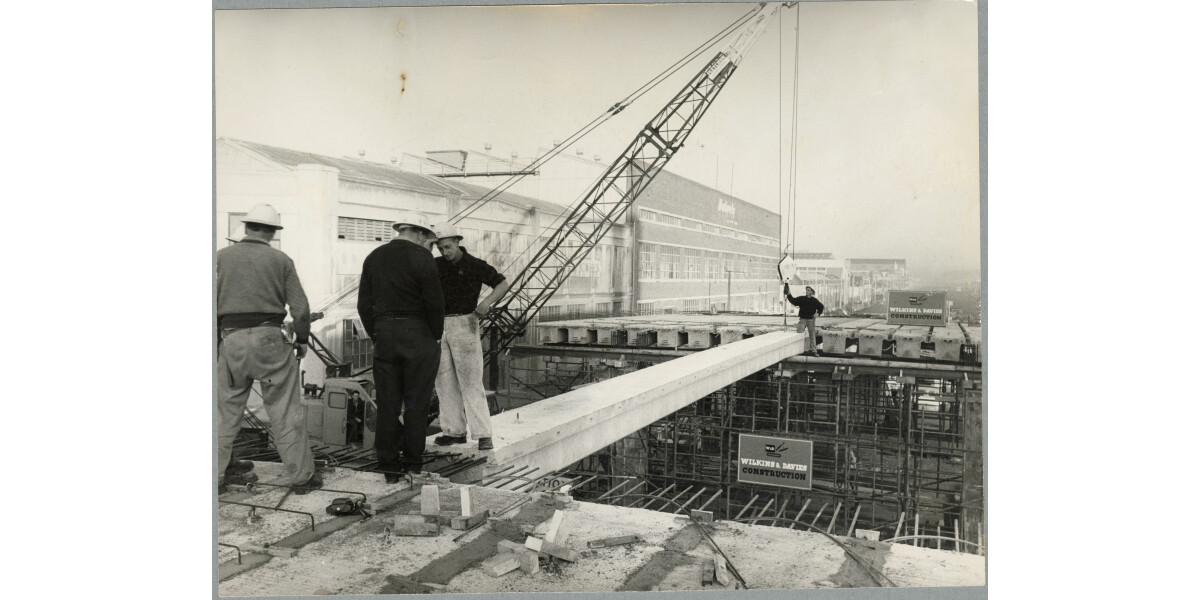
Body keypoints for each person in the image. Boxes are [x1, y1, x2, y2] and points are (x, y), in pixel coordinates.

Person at [216, 204, 321, 495]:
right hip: (271, 340)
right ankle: (301, 479)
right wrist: (301, 340)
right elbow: (300, 310)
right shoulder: (281, 260)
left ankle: (215, 479)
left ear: (246, 227)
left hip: (231, 340)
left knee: (224, 415)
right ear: (273, 232)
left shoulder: (219, 258)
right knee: (285, 412)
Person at [357, 213, 444, 483]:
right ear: (419, 233)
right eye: (428, 240)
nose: (428, 244)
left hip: (385, 335)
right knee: (417, 405)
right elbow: (434, 302)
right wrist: (435, 335)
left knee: (387, 406)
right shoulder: (422, 258)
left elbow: (363, 305)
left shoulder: (374, 257)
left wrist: (378, 333)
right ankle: (413, 465)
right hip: (418, 335)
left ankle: (390, 469)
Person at [429, 222, 511, 452]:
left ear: (457, 242)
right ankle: (454, 432)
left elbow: (502, 284)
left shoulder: (475, 265)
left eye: (447, 246)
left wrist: (486, 302)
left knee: (471, 381)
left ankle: (484, 434)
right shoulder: (435, 266)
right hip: (438, 326)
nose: (444, 252)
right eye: (439, 248)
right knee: (444, 381)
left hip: (465, 323)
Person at [785, 283, 825, 355]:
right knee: (799, 333)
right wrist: (788, 294)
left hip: (811, 320)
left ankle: (814, 351)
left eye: (809, 290)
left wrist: (818, 313)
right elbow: (793, 301)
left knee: (812, 336)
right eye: (806, 290)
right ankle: (797, 350)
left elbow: (821, 307)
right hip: (802, 319)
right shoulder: (802, 299)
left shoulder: (814, 300)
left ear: (812, 292)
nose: (807, 291)